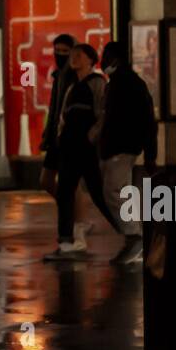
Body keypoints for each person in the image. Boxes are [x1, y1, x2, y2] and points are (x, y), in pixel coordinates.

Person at [44, 43, 115, 261]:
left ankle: (131, 232)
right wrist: (60, 137)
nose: (73, 58)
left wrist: (92, 138)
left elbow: (102, 114)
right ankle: (65, 240)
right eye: (72, 55)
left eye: (79, 55)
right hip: (69, 147)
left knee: (99, 193)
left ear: (91, 60)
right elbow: (63, 117)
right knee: (65, 191)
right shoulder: (71, 87)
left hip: (86, 148)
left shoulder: (97, 83)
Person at [96, 40, 157, 265]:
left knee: (114, 191)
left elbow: (147, 121)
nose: (104, 62)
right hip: (116, 146)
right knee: (118, 191)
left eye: (108, 57)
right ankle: (134, 236)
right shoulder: (118, 83)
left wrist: (151, 154)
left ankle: (135, 237)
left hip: (122, 146)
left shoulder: (128, 84)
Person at [38, 34, 76, 200]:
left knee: (72, 183)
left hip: (68, 137)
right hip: (56, 137)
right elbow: (54, 107)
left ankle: (71, 212)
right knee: (46, 180)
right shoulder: (58, 76)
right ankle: (67, 207)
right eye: (57, 50)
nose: (60, 54)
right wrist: (48, 133)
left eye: (65, 51)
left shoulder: (75, 76)